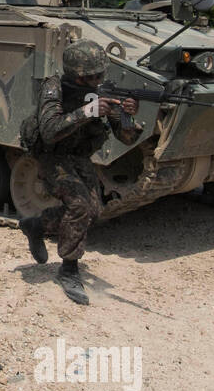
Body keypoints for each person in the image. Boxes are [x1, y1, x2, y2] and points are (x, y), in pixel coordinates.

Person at [19, 40, 141, 305]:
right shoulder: (55, 87)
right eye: (91, 76)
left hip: (79, 156)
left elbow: (127, 138)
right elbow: (50, 130)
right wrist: (88, 111)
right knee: (79, 206)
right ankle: (69, 269)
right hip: (52, 155)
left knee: (94, 211)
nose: (98, 80)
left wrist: (128, 116)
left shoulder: (102, 91)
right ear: (76, 74)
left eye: (100, 74)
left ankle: (36, 225)